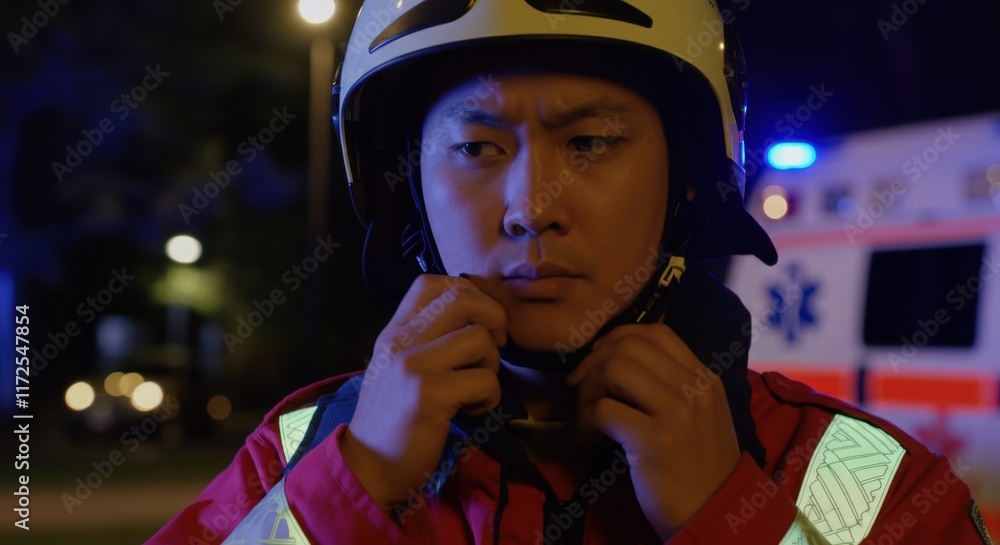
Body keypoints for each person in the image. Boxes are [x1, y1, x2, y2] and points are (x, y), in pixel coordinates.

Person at [149, 1, 995, 544]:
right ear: (407, 191)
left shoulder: (865, 481)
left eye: (590, 142)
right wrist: (356, 482)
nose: (530, 207)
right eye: (477, 147)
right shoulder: (305, 450)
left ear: (689, 182)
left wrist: (728, 517)